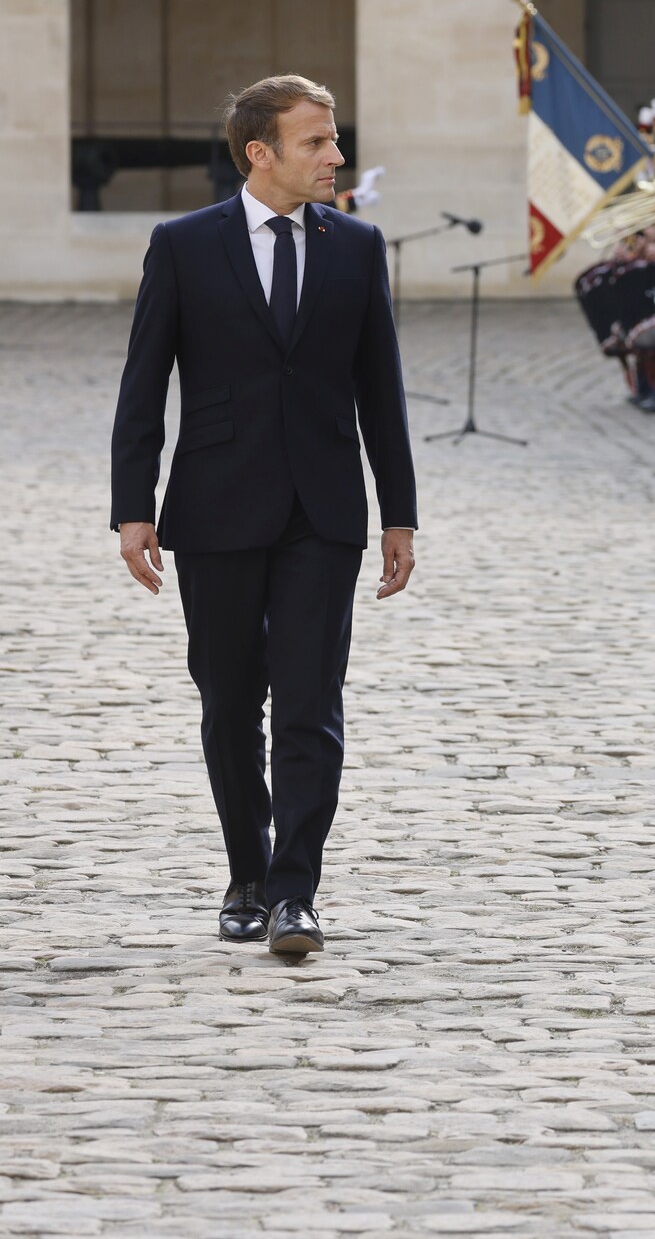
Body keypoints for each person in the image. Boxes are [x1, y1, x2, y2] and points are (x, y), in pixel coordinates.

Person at [110, 74, 417, 956]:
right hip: (213, 507)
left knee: (312, 702)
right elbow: (144, 383)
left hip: (323, 510)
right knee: (230, 698)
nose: (336, 156)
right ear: (261, 152)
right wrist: (134, 507)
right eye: (317, 142)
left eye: (333, 140)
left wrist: (399, 511)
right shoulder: (182, 245)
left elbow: (380, 390)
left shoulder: (358, 247)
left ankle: (295, 892)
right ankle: (246, 872)